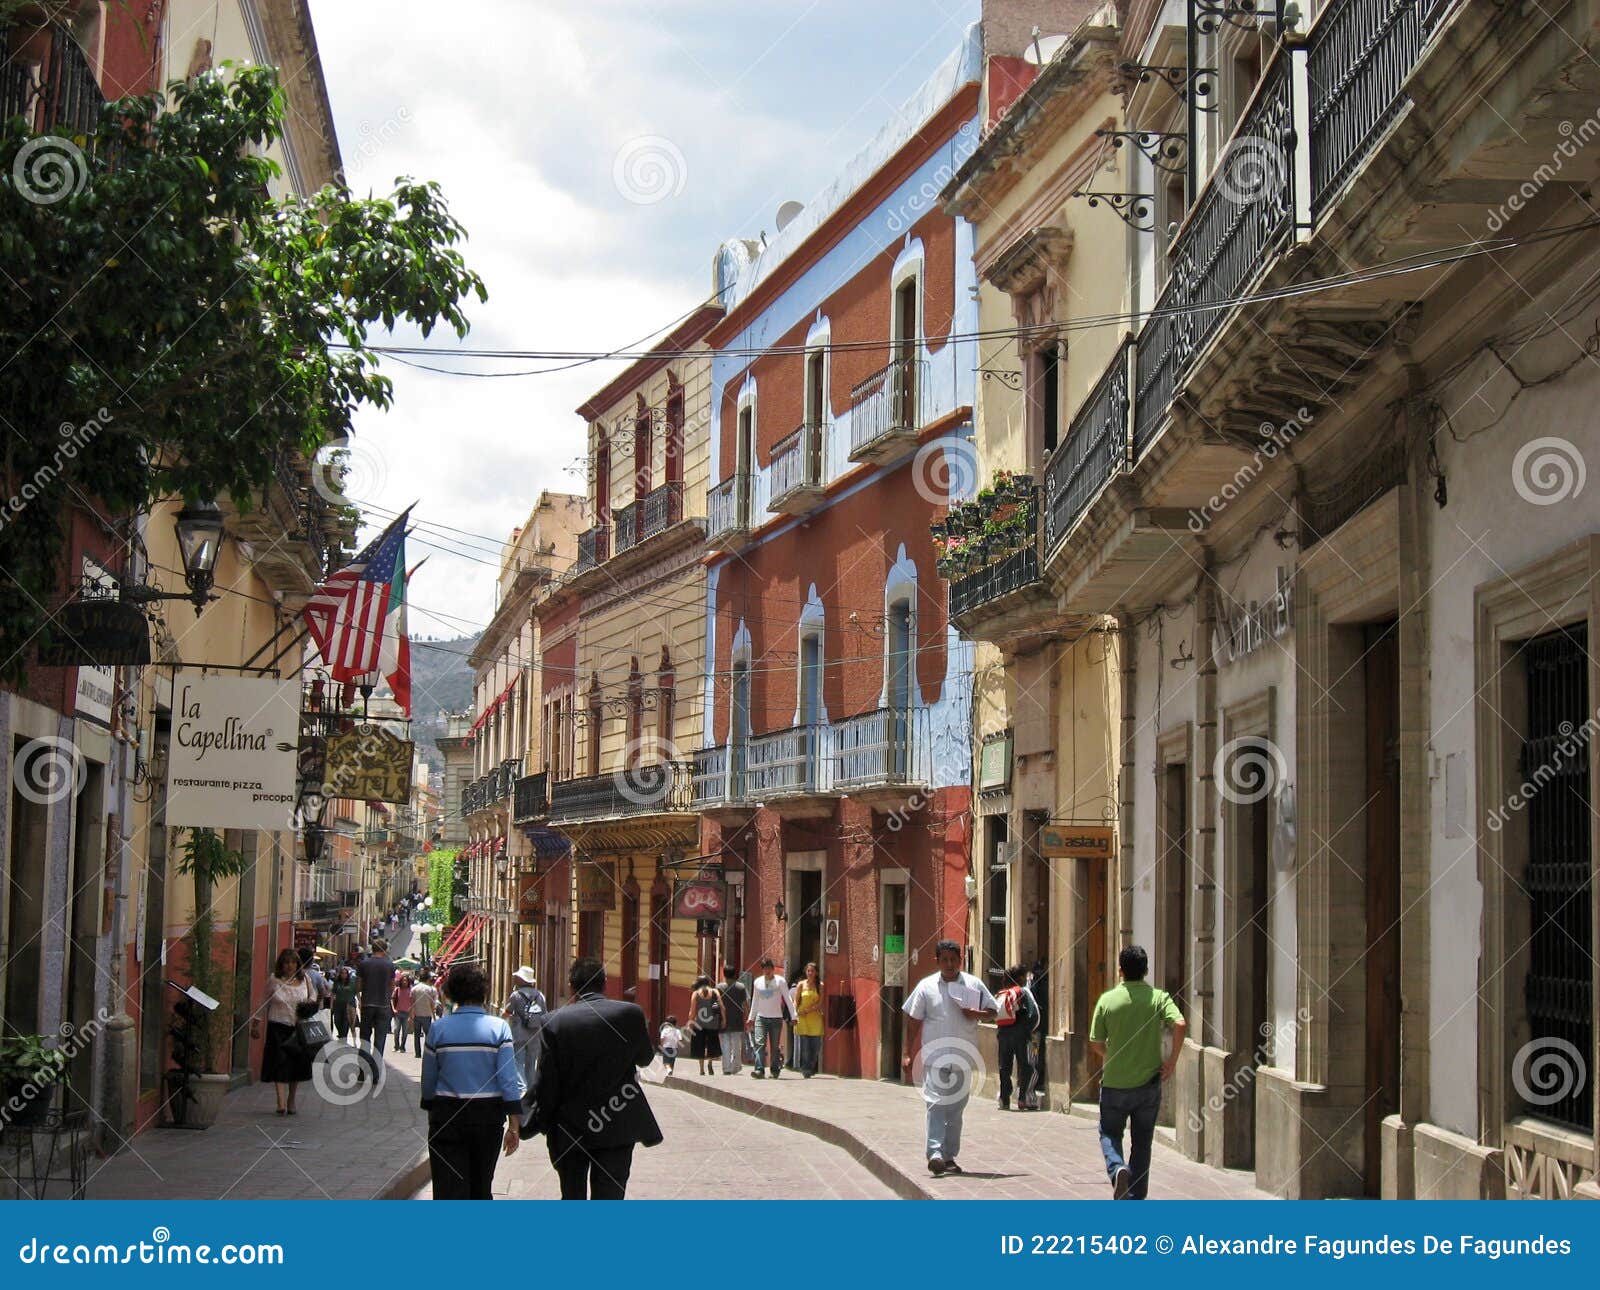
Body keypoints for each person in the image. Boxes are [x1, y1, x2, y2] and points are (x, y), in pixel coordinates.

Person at [531, 956, 662, 1199]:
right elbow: (645, 1059)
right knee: (611, 1197)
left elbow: (548, 1081)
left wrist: (543, 1122)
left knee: (572, 1195)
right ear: (604, 984)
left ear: (572, 986)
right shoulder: (631, 1014)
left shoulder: (554, 1022)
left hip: (569, 1127)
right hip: (617, 1122)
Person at [420, 962, 523, 1201]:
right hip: (487, 1118)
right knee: (480, 1186)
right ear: (484, 992)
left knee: (447, 1189)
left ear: (452, 992)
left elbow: (428, 1079)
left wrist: (430, 1107)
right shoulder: (499, 1029)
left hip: (446, 1115)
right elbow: (508, 1080)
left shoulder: (438, 1029)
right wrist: (514, 1125)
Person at [1090, 945, 1185, 1199]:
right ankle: (1136, 1197)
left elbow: (1096, 1042)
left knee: (1109, 1133)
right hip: (1148, 1085)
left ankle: (1117, 1167)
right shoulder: (1158, 998)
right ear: (1146, 970)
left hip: (1114, 1083)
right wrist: (1172, 1061)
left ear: (1120, 970)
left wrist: (1110, 1055)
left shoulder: (1107, 1001)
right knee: (1142, 1142)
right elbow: (1180, 1023)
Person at [902, 938, 996, 1177]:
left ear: (960, 961)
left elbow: (994, 1012)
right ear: (937, 961)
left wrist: (975, 1013)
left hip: (963, 1058)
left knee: (955, 1110)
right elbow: (913, 1021)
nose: (949, 964)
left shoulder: (974, 985)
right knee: (935, 1104)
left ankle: (949, 1155)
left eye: (954, 959)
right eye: (944, 959)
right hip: (934, 1057)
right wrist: (906, 1053)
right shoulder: (926, 986)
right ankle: (934, 1153)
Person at [261, 948, 318, 1115]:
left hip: (298, 1028)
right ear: (281, 964)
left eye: (293, 962)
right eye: (286, 962)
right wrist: (256, 1023)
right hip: (277, 1026)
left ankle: (291, 1099)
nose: (290, 966)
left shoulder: (305, 979)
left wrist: (305, 1010)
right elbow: (263, 1001)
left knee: (296, 1065)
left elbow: (313, 997)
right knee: (279, 1062)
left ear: (298, 964)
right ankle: (280, 1102)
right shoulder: (274, 980)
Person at [994, 963, 1040, 1111]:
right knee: (1026, 1065)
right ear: (1020, 978)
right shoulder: (1023, 992)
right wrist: (1030, 1031)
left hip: (1003, 1034)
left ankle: (1004, 1099)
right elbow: (1033, 1014)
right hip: (1021, 1035)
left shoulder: (1003, 993)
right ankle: (1023, 1099)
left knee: (1004, 1067)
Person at [502, 966, 548, 1094]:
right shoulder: (540, 995)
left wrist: (499, 1021)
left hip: (518, 1034)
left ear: (522, 980)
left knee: (517, 1062)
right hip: (535, 1034)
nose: (515, 978)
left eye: (517, 977)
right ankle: (531, 1090)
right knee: (531, 1063)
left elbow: (507, 1012)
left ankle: (522, 1089)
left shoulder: (516, 995)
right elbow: (545, 1015)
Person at [356, 937, 397, 1075]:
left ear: (372, 949)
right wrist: (386, 995)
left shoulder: (363, 964)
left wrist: (362, 997)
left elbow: (359, 985)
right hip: (383, 1006)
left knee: (365, 1039)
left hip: (367, 1004)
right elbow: (392, 986)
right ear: (385, 950)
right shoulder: (390, 965)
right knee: (379, 1040)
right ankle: (375, 1072)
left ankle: (362, 1072)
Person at [746, 956, 788, 1079]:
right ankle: (759, 1069)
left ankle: (774, 1069)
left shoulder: (780, 981)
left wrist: (794, 1015)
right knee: (759, 1044)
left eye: (769, 968)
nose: (767, 971)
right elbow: (755, 1000)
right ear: (762, 969)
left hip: (776, 1018)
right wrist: (751, 1018)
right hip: (761, 1017)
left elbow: (787, 998)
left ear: (773, 969)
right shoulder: (757, 982)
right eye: (764, 969)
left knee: (774, 1047)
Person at [791, 962, 824, 1077]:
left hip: (815, 1018)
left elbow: (820, 1003)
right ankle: (805, 1069)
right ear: (806, 972)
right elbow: (796, 1000)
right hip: (802, 1017)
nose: (810, 973)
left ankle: (811, 1065)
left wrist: (809, 1010)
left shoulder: (820, 985)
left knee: (815, 1046)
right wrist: (794, 1013)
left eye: (812, 971)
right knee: (804, 1046)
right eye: (808, 971)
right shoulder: (801, 984)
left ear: (816, 973)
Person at [716, 964, 748, 1075]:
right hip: (737, 1020)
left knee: (725, 1045)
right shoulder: (741, 987)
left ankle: (726, 1068)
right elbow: (745, 1005)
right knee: (736, 1045)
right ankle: (736, 1066)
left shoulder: (719, 987)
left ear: (724, 974)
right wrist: (746, 1018)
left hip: (723, 1020)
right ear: (735, 974)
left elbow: (716, 1004)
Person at [688, 976, 723, 1075]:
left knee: (700, 1046)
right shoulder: (715, 992)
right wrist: (723, 1019)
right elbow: (721, 1007)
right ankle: (710, 1063)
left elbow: (692, 1010)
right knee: (712, 1045)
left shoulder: (696, 994)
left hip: (699, 1024)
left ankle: (701, 1069)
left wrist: (690, 1022)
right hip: (713, 1023)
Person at [411, 972, 441, 1056]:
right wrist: (434, 1017)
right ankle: (427, 1052)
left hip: (417, 1015)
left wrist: (411, 1016)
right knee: (428, 1036)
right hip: (427, 1015)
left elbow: (412, 1003)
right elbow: (432, 1004)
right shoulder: (430, 989)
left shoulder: (414, 989)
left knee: (416, 1036)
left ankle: (417, 1053)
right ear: (428, 979)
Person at [331, 964, 359, 1042]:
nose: (344, 975)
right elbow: (333, 993)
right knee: (337, 1021)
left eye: (345, 973)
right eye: (342, 973)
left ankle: (345, 1038)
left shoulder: (352, 982)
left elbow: (357, 992)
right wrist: (331, 1005)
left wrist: (360, 1003)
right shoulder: (337, 982)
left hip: (350, 1005)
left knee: (348, 1023)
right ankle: (341, 1034)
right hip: (338, 1005)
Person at [392, 972, 415, 1050]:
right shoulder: (397, 989)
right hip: (398, 1012)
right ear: (401, 981)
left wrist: (411, 1015)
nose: (404, 982)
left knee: (405, 1032)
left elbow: (413, 1002)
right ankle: (396, 1046)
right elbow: (392, 999)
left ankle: (402, 1046)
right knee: (396, 1030)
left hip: (407, 1013)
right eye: (403, 980)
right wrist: (393, 1009)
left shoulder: (411, 990)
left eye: (406, 981)